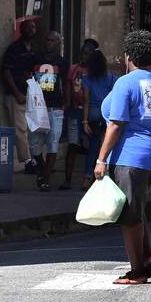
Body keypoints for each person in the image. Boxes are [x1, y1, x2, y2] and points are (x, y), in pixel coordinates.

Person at [94, 29, 151, 285]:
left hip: (129, 156)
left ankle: (137, 272)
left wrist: (101, 158)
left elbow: (116, 123)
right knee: (137, 209)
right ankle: (146, 256)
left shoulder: (126, 82)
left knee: (130, 218)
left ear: (129, 55)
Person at [30, 31, 68, 191]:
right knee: (33, 145)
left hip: (55, 107)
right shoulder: (36, 58)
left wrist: (66, 102)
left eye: (52, 40)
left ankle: (45, 179)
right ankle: (41, 167)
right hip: (37, 107)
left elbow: (66, 82)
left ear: (58, 43)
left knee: (53, 143)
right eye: (47, 39)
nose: (49, 43)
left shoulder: (62, 62)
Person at [0, 17, 39, 169]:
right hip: (16, 94)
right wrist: (16, 92)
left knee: (33, 127)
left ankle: (35, 158)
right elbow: (6, 71)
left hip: (31, 93)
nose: (31, 30)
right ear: (21, 30)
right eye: (28, 27)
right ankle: (27, 160)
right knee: (20, 128)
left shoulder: (34, 49)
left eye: (33, 27)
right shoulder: (14, 49)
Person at [61, 37, 99, 190]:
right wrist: (68, 104)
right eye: (83, 53)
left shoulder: (96, 71)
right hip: (75, 111)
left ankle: (88, 178)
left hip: (90, 112)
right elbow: (69, 86)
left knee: (92, 146)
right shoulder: (73, 68)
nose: (85, 56)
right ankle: (68, 180)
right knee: (73, 144)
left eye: (88, 53)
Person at [80, 49, 116, 188]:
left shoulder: (87, 79)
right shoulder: (112, 78)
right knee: (106, 147)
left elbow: (86, 100)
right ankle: (103, 178)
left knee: (93, 147)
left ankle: (87, 177)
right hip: (107, 114)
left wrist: (85, 122)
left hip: (93, 114)